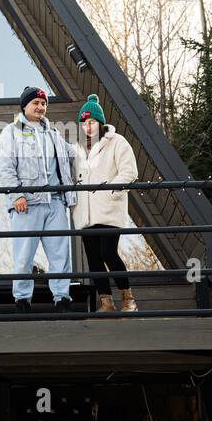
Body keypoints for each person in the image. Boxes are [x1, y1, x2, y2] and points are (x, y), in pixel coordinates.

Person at [0, 86, 78, 312]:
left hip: (56, 201)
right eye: (36, 103)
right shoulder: (11, 131)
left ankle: (61, 298)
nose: (40, 107)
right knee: (24, 255)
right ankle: (22, 299)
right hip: (26, 204)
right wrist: (16, 194)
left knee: (60, 254)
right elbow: (5, 167)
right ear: (25, 106)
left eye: (44, 103)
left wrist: (96, 138)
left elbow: (73, 156)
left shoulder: (54, 133)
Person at [73, 95, 139, 312]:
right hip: (86, 213)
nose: (87, 127)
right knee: (93, 258)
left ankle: (128, 297)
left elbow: (129, 171)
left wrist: (110, 189)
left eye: (91, 122)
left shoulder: (117, 142)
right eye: (84, 123)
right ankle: (106, 302)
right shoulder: (79, 149)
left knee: (108, 252)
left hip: (108, 209)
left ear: (100, 122)